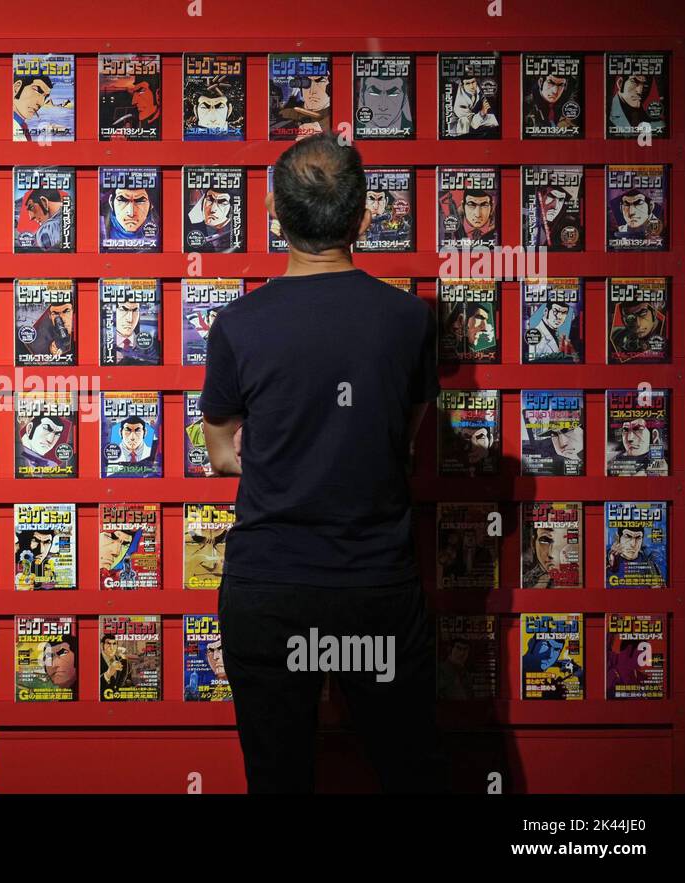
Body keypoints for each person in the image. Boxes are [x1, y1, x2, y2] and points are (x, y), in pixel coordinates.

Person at [199, 133, 444, 793]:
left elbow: (224, 454)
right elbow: (409, 439)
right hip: (376, 587)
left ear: (276, 216)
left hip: (271, 589)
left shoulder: (238, 324)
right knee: (409, 771)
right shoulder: (409, 320)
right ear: (365, 219)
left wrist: (274, 451)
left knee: (278, 778)